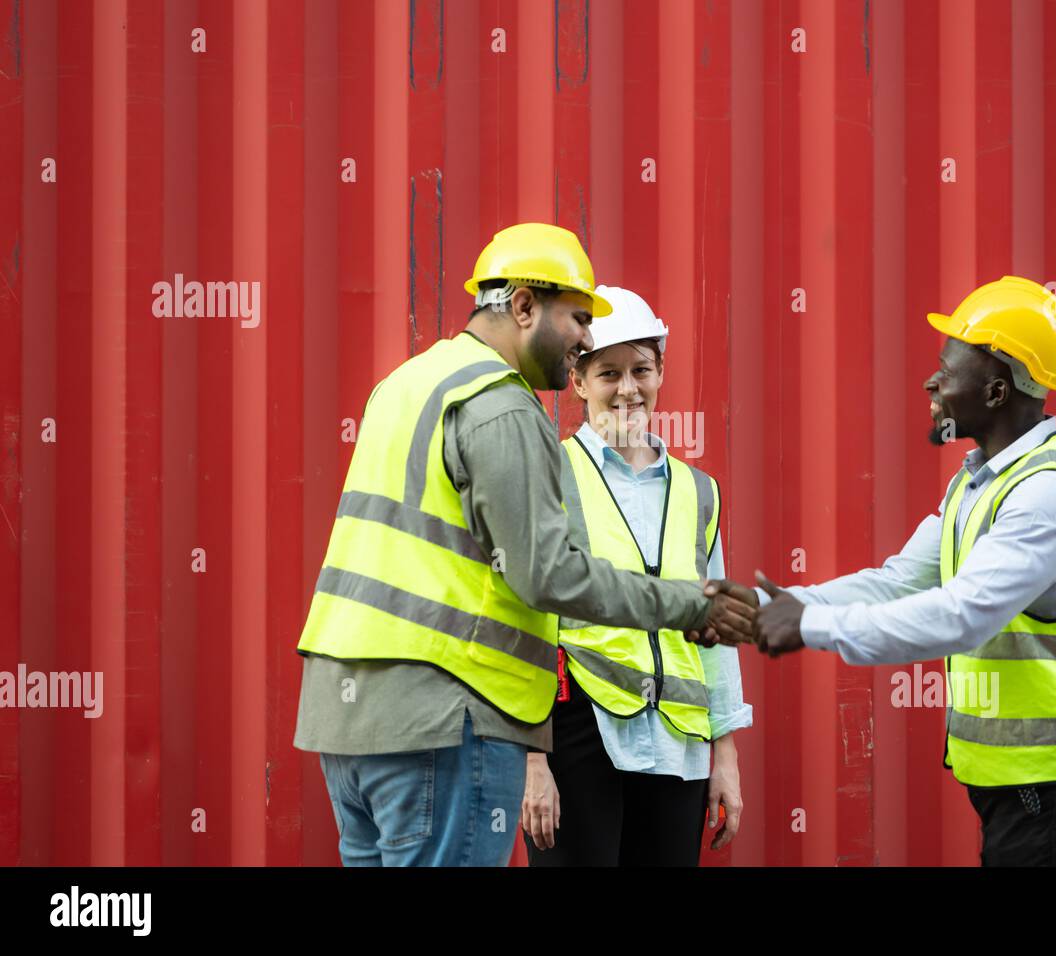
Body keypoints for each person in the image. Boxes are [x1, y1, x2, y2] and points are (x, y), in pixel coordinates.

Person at [292, 223, 754, 867]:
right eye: (577, 320)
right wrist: (691, 606)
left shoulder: (405, 384)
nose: (584, 341)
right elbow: (547, 577)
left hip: (350, 717)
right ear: (525, 306)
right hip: (442, 715)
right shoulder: (502, 405)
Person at [711, 276, 1056, 866]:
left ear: (996, 390)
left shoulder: (1048, 494)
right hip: (1024, 781)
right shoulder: (979, 483)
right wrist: (770, 608)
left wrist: (806, 627)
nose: (931, 380)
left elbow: (962, 615)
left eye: (949, 366)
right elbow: (898, 580)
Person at [520, 286, 752, 866]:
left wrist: (725, 756)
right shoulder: (550, 473)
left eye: (641, 370)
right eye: (608, 373)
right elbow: (521, 619)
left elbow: (716, 636)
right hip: (579, 732)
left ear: (660, 372)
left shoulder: (700, 493)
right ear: (577, 381)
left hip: (677, 742)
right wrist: (530, 759)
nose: (628, 389)